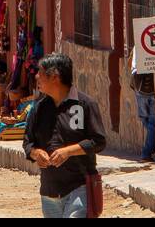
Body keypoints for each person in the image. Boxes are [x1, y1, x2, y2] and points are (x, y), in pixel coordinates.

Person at [22, 53, 107, 218]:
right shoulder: (38, 109)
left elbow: (98, 142)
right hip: (49, 192)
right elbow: (27, 143)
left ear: (55, 77)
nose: (36, 76)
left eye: (40, 72)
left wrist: (68, 151)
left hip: (79, 187)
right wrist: (36, 153)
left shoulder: (85, 105)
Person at [131, 71, 155, 163]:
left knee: (148, 122)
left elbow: (133, 72)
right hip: (154, 90)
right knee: (151, 123)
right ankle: (149, 149)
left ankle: (147, 152)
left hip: (141, 91)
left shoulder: (138, 57)